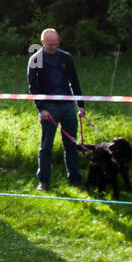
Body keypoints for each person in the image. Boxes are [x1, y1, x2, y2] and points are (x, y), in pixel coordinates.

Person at [28, 28, 86, 191]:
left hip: (67, 106)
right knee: (46, 146)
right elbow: (33, 87)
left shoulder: (66, 58)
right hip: (49, 107)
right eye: (50, 44)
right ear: (42, 43)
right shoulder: (36, 59)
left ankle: (74, 179)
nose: (54, 46)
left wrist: (80, 106)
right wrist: (41, 109)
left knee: (71, 144)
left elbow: (74, 82)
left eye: (56, 43)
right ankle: (44, 181)